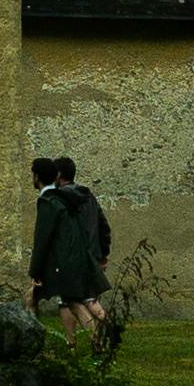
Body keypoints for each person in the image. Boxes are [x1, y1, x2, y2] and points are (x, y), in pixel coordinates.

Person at [30, 152, 117, 359]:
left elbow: (44, 239)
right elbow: (102, 226)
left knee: (73, 302)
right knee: (82, 300)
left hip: (67, 260)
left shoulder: (53, 202)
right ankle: (101, 338)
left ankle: (92, 342)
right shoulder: (77, 198)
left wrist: (36, 270)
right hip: (83, 256)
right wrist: (102, 252)